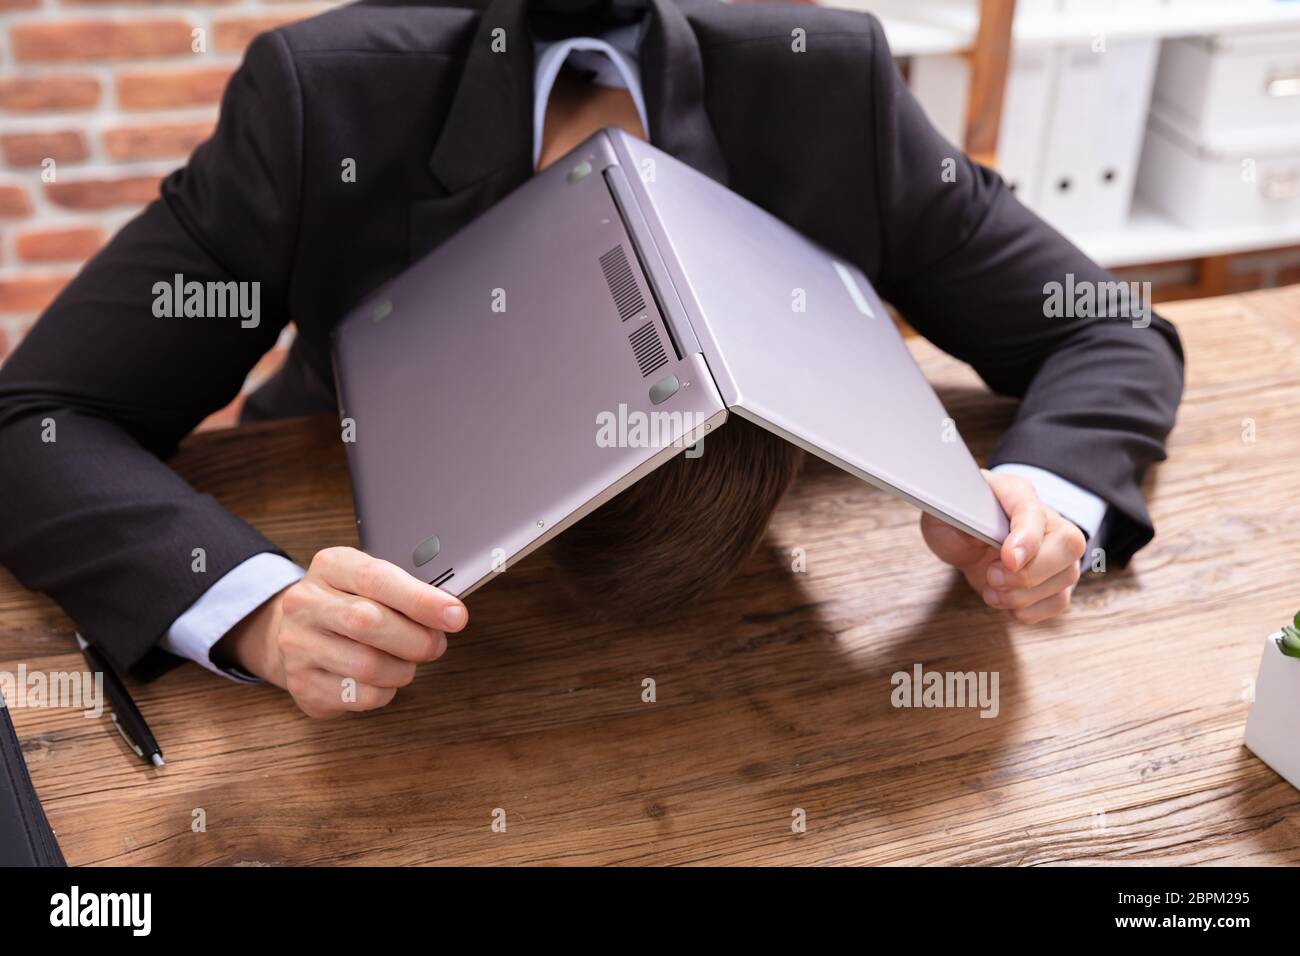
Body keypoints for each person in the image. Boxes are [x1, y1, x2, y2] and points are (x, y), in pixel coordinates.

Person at [0, 0, 1184, 719]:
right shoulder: (325, 102)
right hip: (381, 614)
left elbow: (1107, 324)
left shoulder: (824, 83)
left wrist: (1046, 502)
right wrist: (255, 607)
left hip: (752, 655)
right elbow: (38, 417)